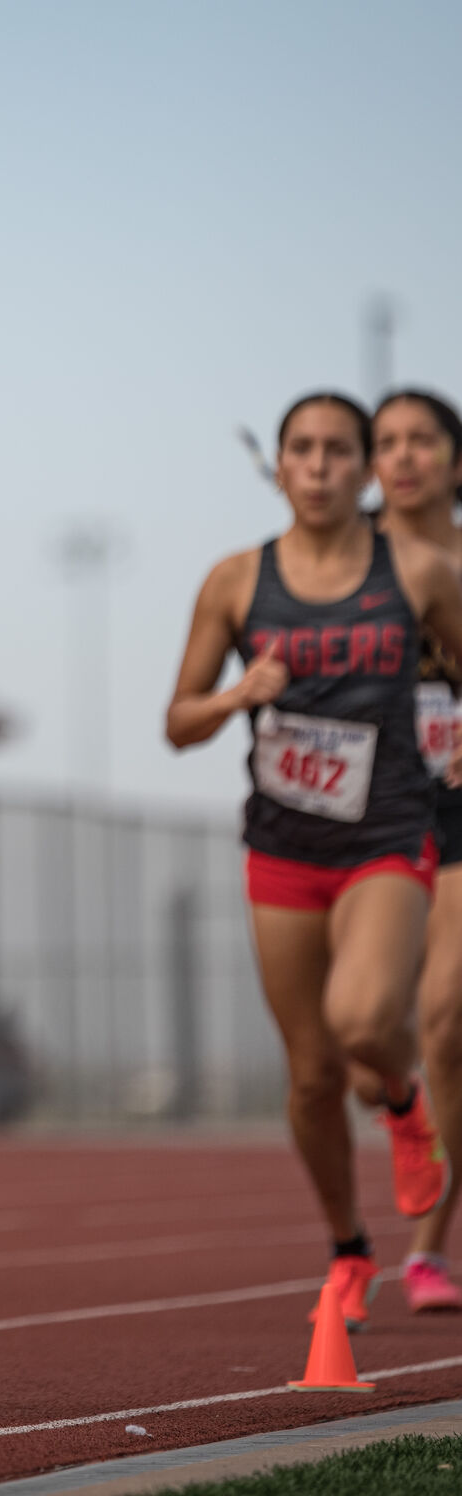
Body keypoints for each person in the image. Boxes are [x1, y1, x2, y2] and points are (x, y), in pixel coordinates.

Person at [166, 391, 462, 1328]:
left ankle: (407, 1108)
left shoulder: (416, 569)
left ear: (363, 471)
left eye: (343, 450)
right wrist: (234, 697)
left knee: (366, 1021)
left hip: (388, 836)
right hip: (283, 848)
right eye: (305, 449)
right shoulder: (233, 582)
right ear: (282, 467)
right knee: (308, 1076)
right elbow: (176, 723)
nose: (324, 465)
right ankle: (347, 1247)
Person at [373, 388, 462, 1311]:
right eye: (385, 442)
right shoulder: (340, 562)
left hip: (457, 818)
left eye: (422, 440)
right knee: (361, 1039)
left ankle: (430, 1244)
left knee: (445, 1021)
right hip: (370, 816)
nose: (403, 456)